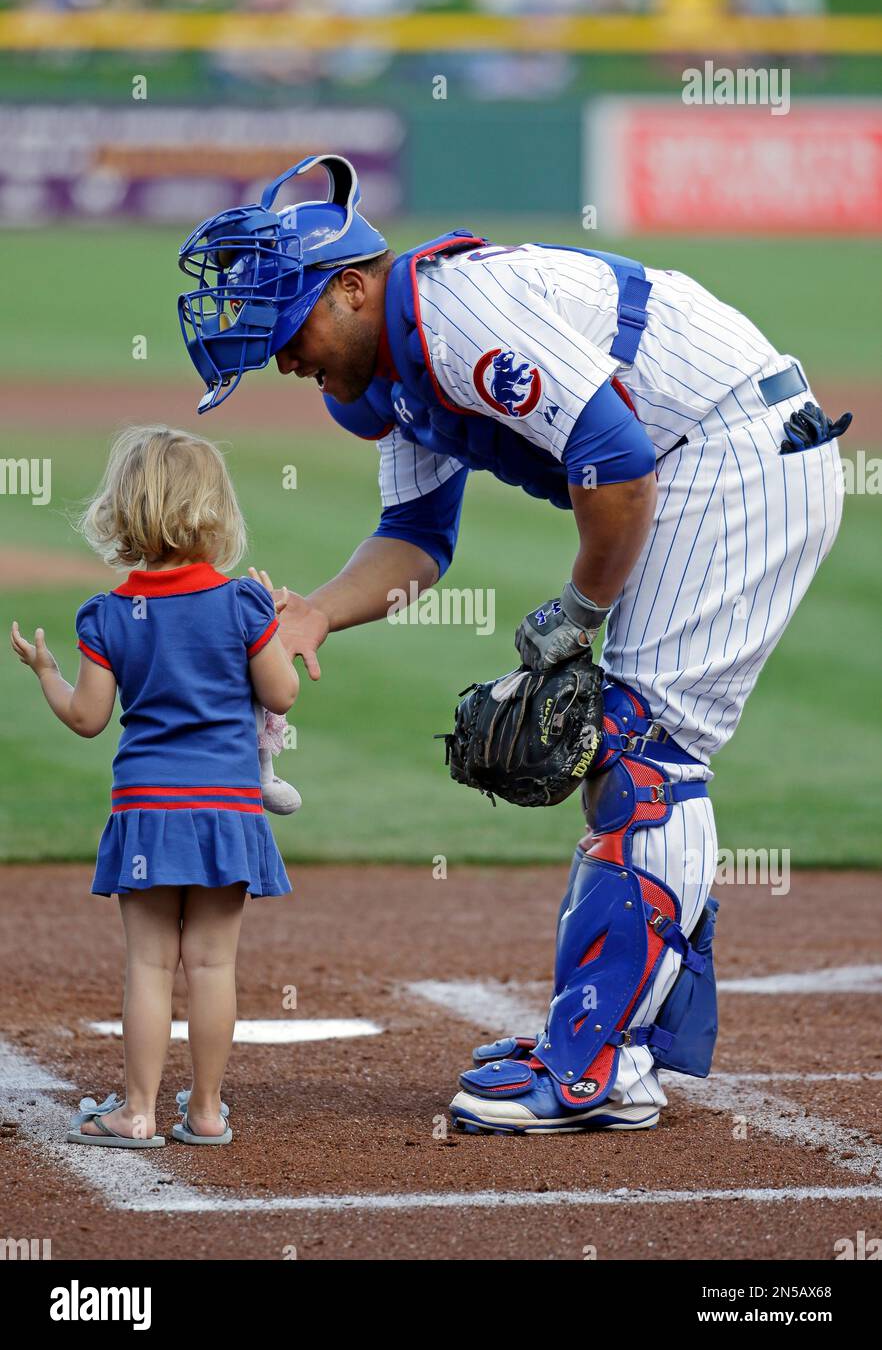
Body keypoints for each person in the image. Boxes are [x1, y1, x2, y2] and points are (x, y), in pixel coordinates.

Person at [177, 154, 849, 1134]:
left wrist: (581, 608)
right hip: (706, 458)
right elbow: (417, 541)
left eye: (289, 329)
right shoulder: (395, 373)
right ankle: (621, 1037)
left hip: (731, 454)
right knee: (635, 749)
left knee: (643, 752)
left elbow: (615, 460)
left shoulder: (461, 321)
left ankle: (596, 1068)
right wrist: (316, 611)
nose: (282, 358)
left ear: (355, 287)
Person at [10, 426, 299, 1148]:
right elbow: (283, 693)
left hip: (146, 812)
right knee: (211, 963)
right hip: (226, 814)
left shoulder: (107, 615)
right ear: (214, 510)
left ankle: (137, 1112)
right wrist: (273, 622)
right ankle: (204, 1110)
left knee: (147, 963)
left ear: (123, 512)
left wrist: (46, 672)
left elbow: (87, 718)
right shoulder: (240, 605)